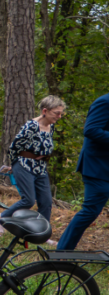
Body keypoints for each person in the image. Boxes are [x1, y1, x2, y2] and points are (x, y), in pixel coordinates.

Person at [0, 96, 66, 235]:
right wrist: (14, 165)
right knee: (28, 200)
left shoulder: (51, 126)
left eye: (61, 113)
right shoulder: (31, 126)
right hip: (24, 165)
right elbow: (14, 148)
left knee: (46, 202)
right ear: (45, 111)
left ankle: (42, 233)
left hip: (40, 168)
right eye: (56, 113)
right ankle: (0, 217)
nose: (59, 116)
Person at [55, 92, 109, 251]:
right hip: (98, 167)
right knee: (90, 211)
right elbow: (91, 130)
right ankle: (62, 252)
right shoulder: (104, 101)